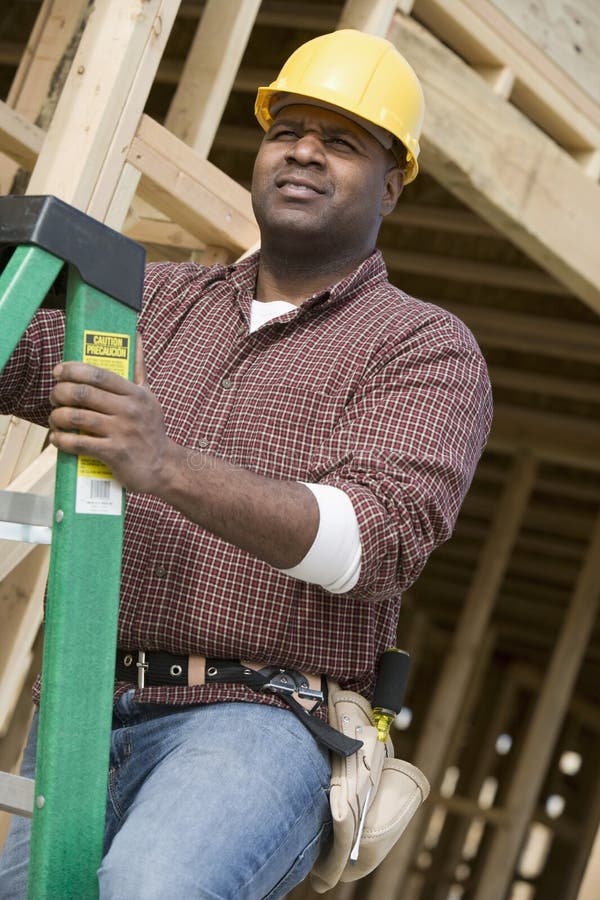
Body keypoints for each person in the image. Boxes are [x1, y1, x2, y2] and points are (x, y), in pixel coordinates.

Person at [0, 28, 492, 900]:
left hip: (258, 720)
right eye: (286, 131)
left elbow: (372, 544)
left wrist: (165, 463)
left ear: (394, 181)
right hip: (80, 701)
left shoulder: (422, 348)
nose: (303, 152)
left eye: (340, 141)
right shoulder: (154, 300)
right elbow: (17, 358)